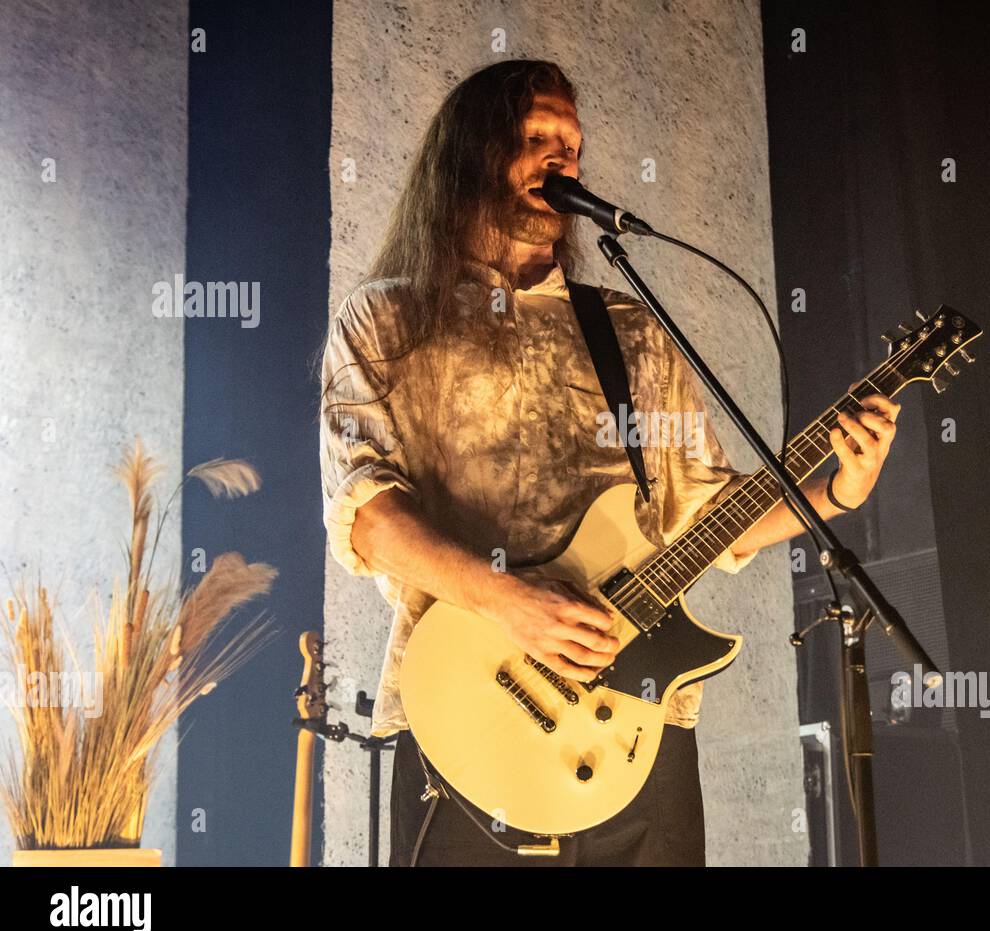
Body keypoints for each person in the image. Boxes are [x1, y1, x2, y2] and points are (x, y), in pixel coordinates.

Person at [317, 59, 899, 866]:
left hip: (635, 726)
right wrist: (510, 602)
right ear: (471, 152)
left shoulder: (630, 329)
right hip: (471, 724)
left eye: (574, 145)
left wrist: (836, 489)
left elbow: (707, 511)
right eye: (538, 137)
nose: (564, 159)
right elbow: (368, 516)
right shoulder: (387, 318)